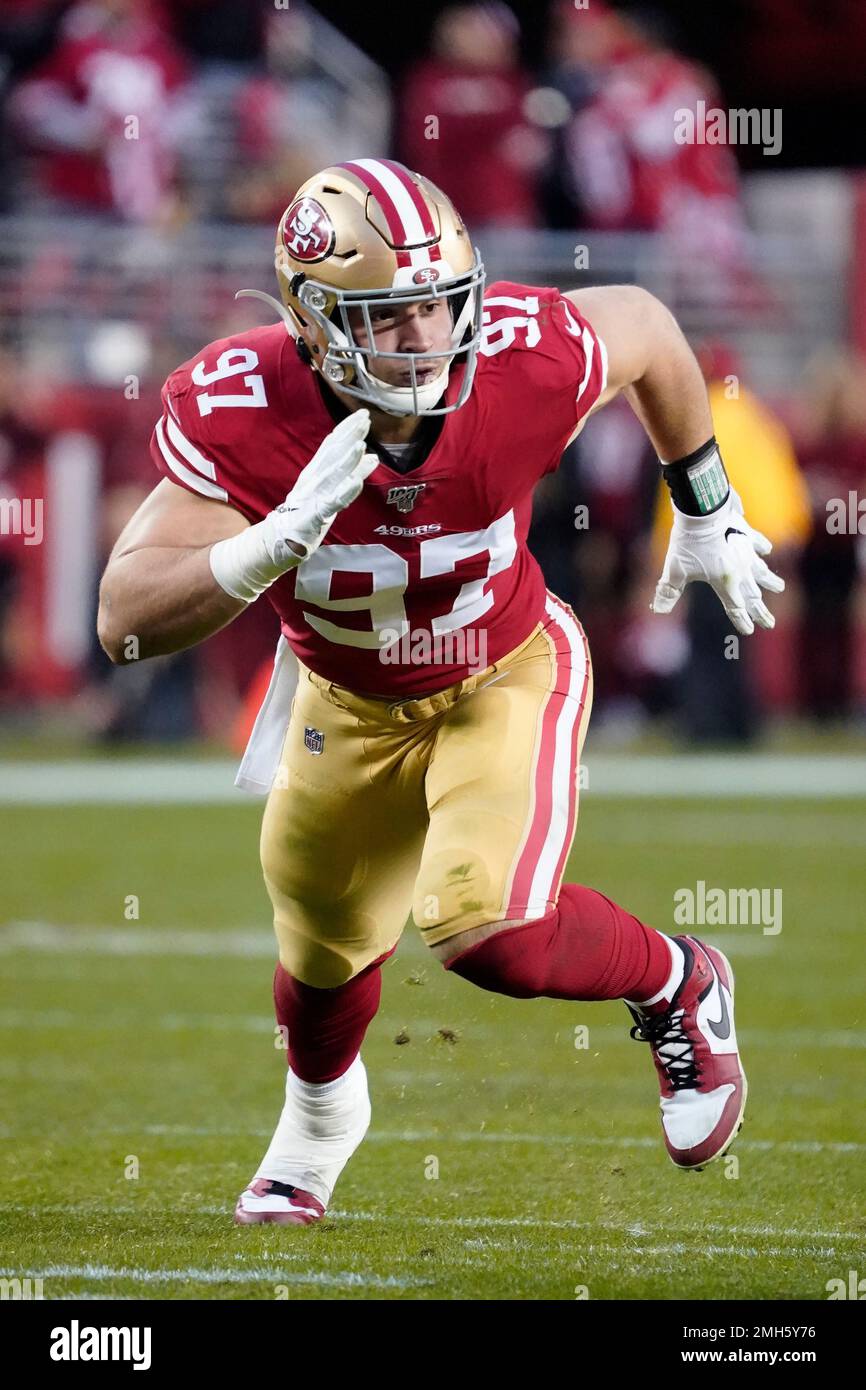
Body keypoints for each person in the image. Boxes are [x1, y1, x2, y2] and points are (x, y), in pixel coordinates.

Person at [97, 158, 782, 1225]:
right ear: (313, 321)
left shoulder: (519, 360)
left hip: (501, 667)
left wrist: (700, 500)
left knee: (484, 930)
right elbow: (123, 618)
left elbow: (643, 325)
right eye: (387, 316)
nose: (424, 338)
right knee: (319, 943)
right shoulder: (240, 404)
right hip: (341, 694)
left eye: (436, 304)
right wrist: (263, 549)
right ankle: (317, 1128)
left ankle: (678, 978)